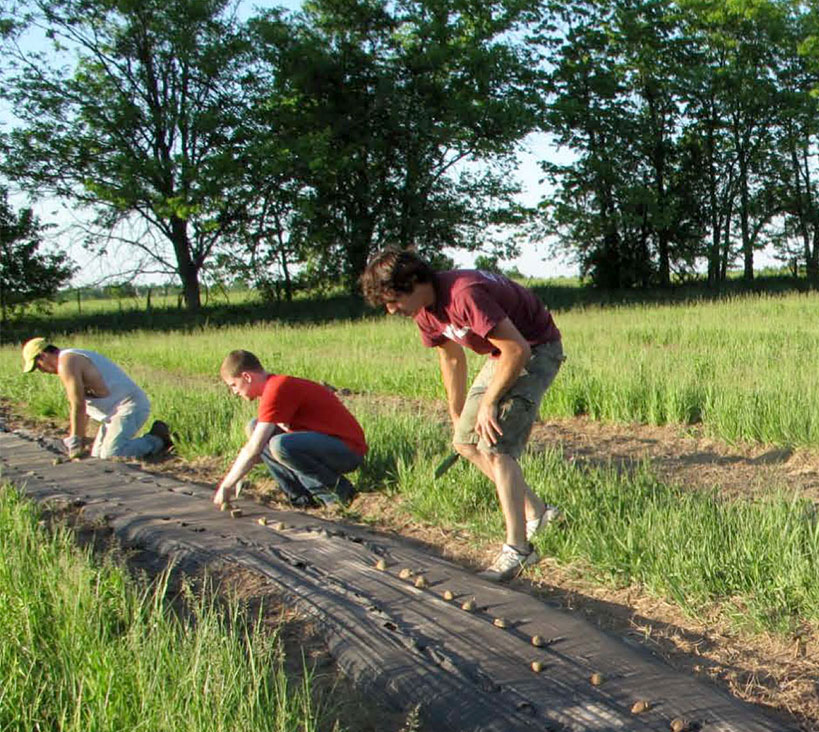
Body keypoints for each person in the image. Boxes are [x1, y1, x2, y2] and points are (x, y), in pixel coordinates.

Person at [359, 248, 563, 582]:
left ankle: (519, 549)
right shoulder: (425, 313)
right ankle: (538, 512)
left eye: (392, 299)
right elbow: (452, 358)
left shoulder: (464, 294)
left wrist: (490, 403)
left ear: (412, 282)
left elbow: (518, 349)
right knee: (465, 442)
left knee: (496, 444)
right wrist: (457, 412)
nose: (391, 309)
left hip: (536, 347)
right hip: (502, 353)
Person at [213, 350, 367, 510]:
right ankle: (300, 498)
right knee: (255, 427)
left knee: (280, 445)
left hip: (348, 450)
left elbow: (254, 449)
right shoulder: (273, 389)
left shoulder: (277, 389)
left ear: (247, 377)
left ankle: (339, 494)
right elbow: (258, 447)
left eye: (233, 385)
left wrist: (227, 485)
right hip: (325, 444)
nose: (234, 392)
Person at [19, 337, 172, 460]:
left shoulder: (67, 362)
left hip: (130, 405)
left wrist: (75, 441)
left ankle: (156, 440)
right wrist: (80, 437)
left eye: (38, 366)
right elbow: (84, 407)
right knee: (97, 456)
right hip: (114, 413)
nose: (41, 371)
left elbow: (78, 405)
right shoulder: (69, 361)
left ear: (44, 356)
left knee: (111, 454)